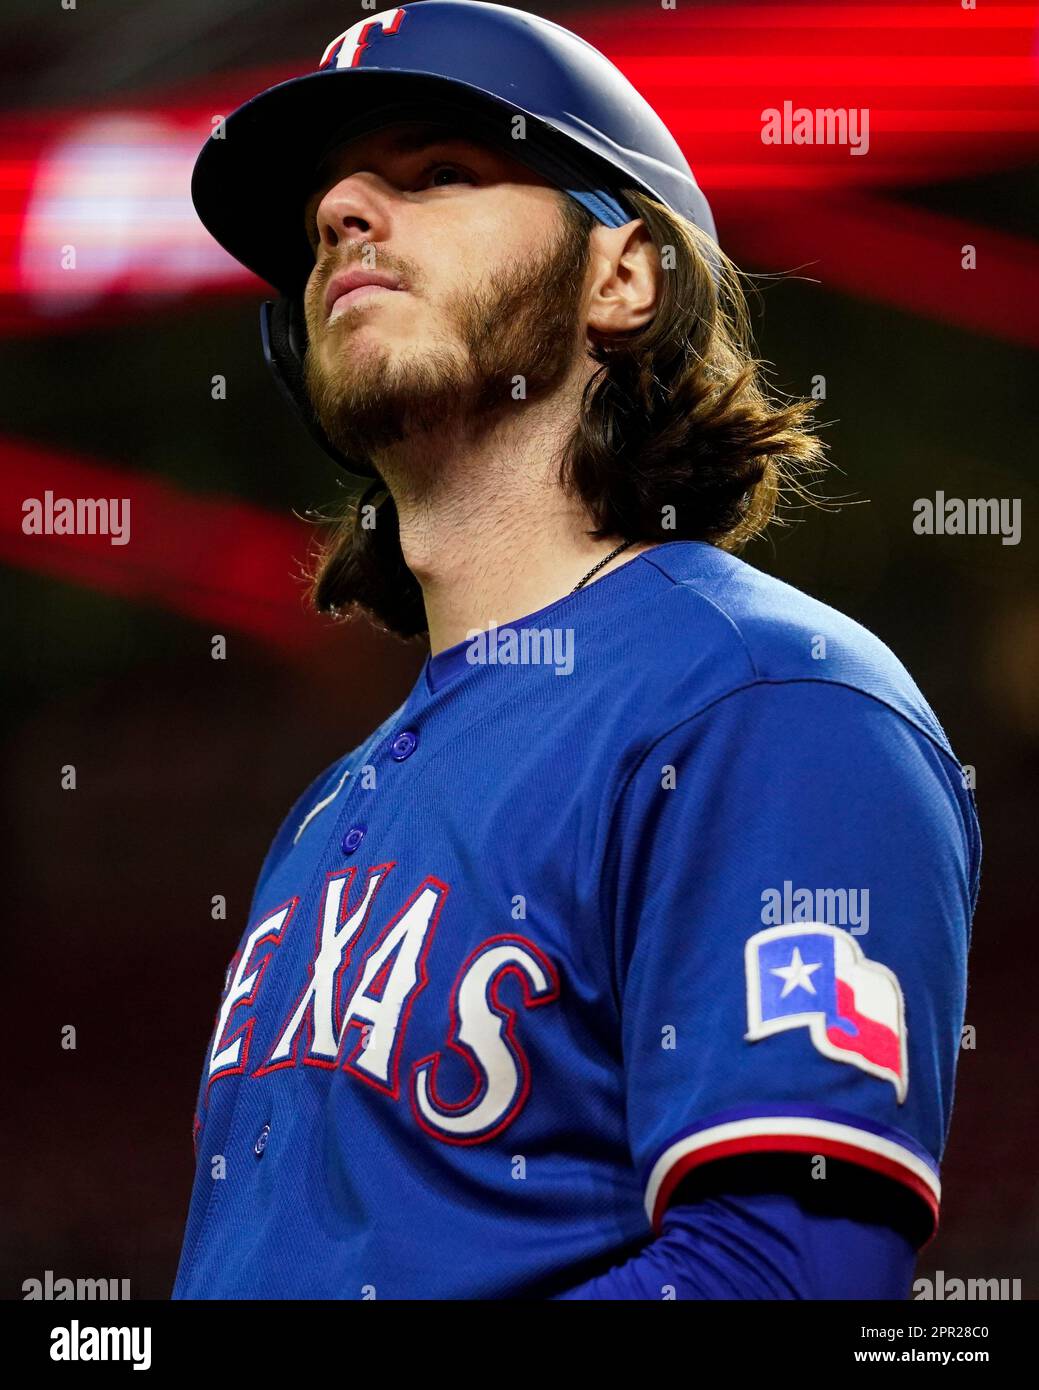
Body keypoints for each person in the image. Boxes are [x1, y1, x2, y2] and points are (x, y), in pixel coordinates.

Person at [173, 3, 980, 1299]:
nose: (340, 217)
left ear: (623, 276)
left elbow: (788, 1268)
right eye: (327, 205)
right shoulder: (324, 813)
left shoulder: (771, 701)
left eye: (439, 172)